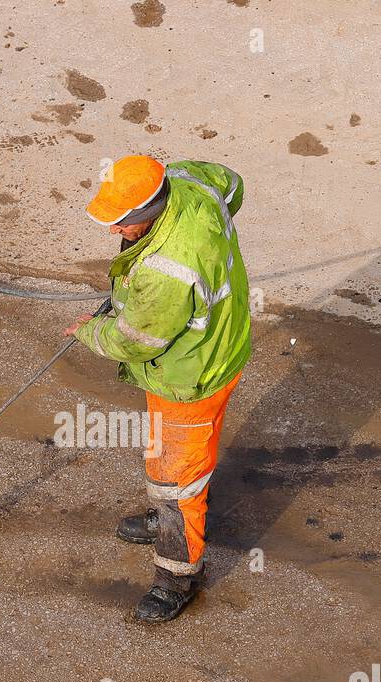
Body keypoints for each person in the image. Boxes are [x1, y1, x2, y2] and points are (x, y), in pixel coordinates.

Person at [64, 155, 251, 622]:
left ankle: (177, 577)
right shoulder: (190, 182)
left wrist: (91, 331)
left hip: (190, 377)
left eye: (123, 223)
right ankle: (164, 518)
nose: (114, 231)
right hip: (214, 346)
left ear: (150, 208)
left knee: (177, 481)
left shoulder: (167, 269)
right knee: (170, 457)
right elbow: (234, 186)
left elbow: (135, 340)